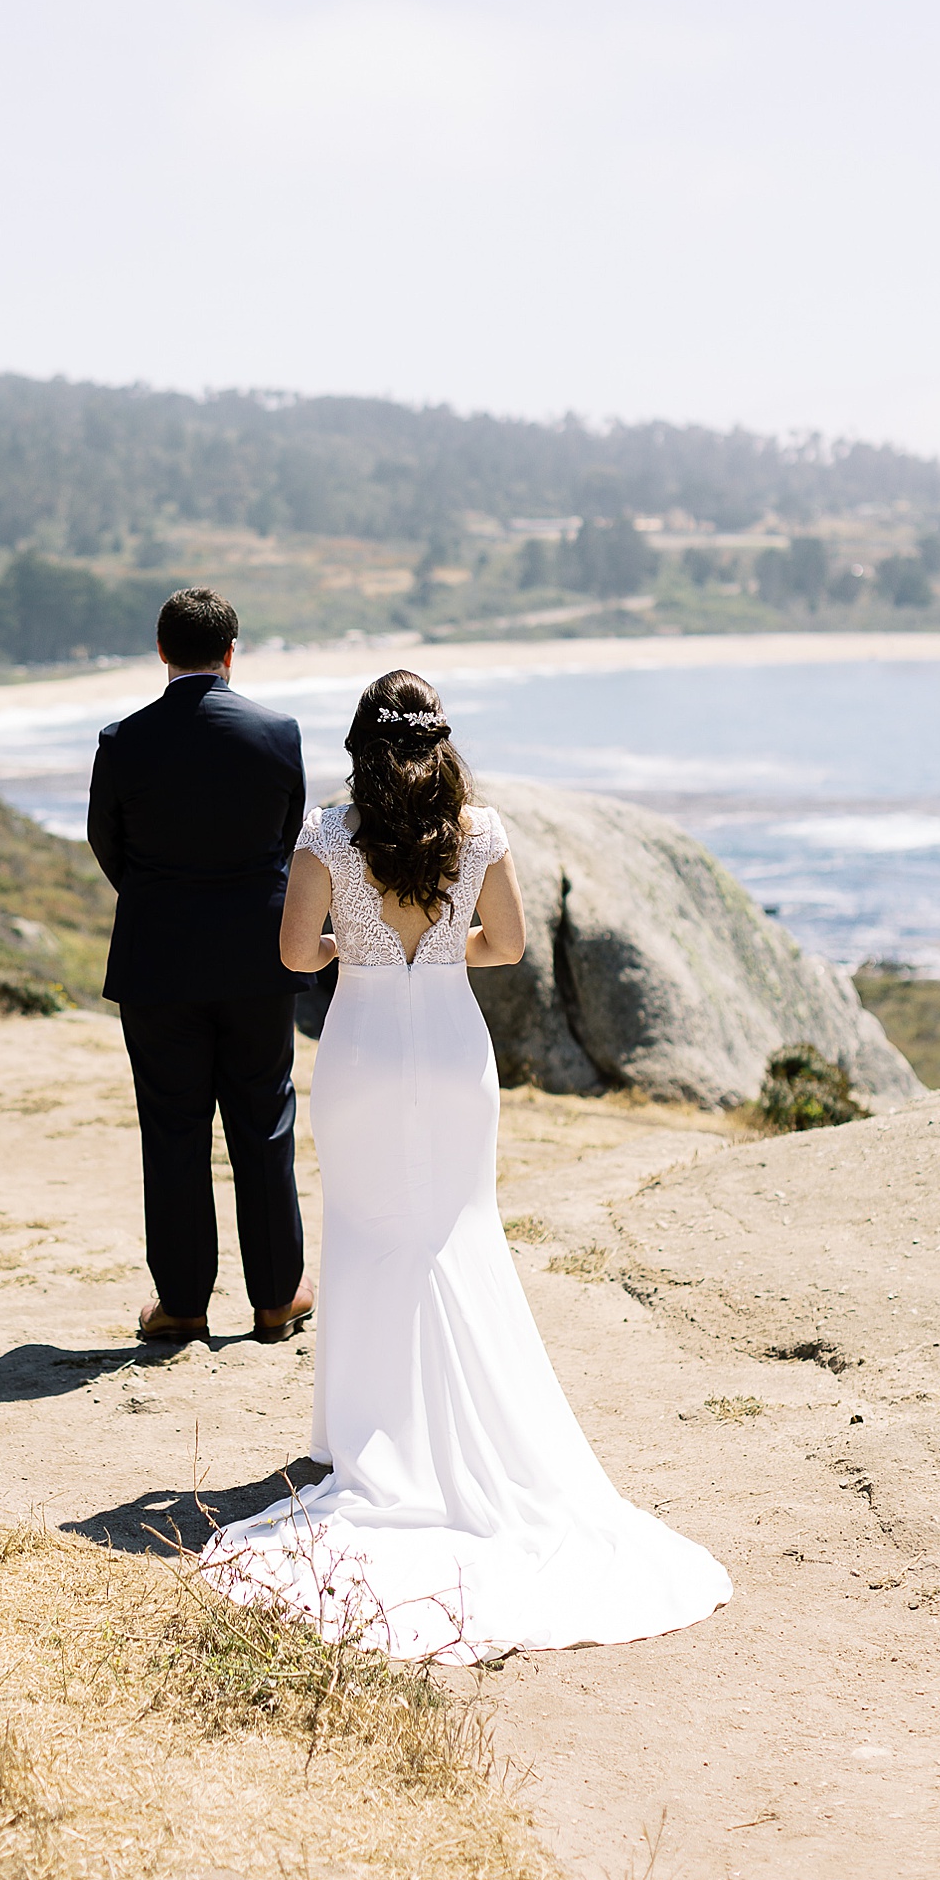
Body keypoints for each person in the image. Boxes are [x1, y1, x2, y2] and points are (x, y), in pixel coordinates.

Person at [202, 668, 732, 1664]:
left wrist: (358, 938)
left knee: (367, 1233)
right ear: (440, 741)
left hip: (363, 1044)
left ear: (362, 742)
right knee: (454, 1230)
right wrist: (436, 945)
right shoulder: (478, 832)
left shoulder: (325, 834)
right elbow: (511, 944)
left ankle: (366, 1436)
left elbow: (294, 956)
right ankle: (466, 1438)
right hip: (449, 1046)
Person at [86, 586, 315, 1344]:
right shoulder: (277, 733)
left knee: (173, 1129)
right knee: (265, 1122)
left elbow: (106, 843)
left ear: (161, 651)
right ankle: (277, 1297)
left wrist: (158, 898)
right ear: (230, 652)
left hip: (159, 962)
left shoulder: (123, 739)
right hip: (258, 958)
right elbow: (286, 841)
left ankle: (182, 1304)